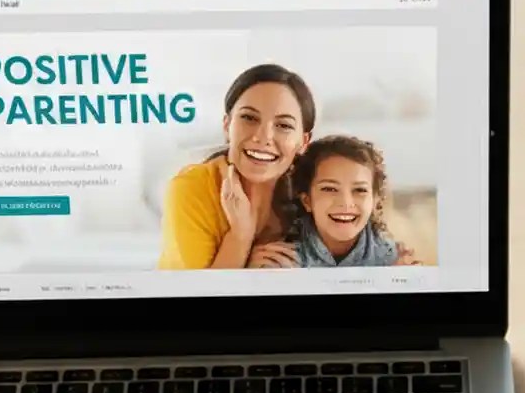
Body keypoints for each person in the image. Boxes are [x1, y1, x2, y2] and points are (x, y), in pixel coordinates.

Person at [157, 63, 315, 270]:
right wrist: (241, 235)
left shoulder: (314, 194)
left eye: (284, 126)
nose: (263, 137)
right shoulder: (191, 188)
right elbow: (199, 294)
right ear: (227, 125)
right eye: (249, 118)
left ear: (303, 142)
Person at [277, 135, 412, 268]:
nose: (346, 203)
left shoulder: (393, 261)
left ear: (375, 201)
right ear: (307, 201)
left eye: (359, 190)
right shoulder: (284, 259)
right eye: (329, 189)